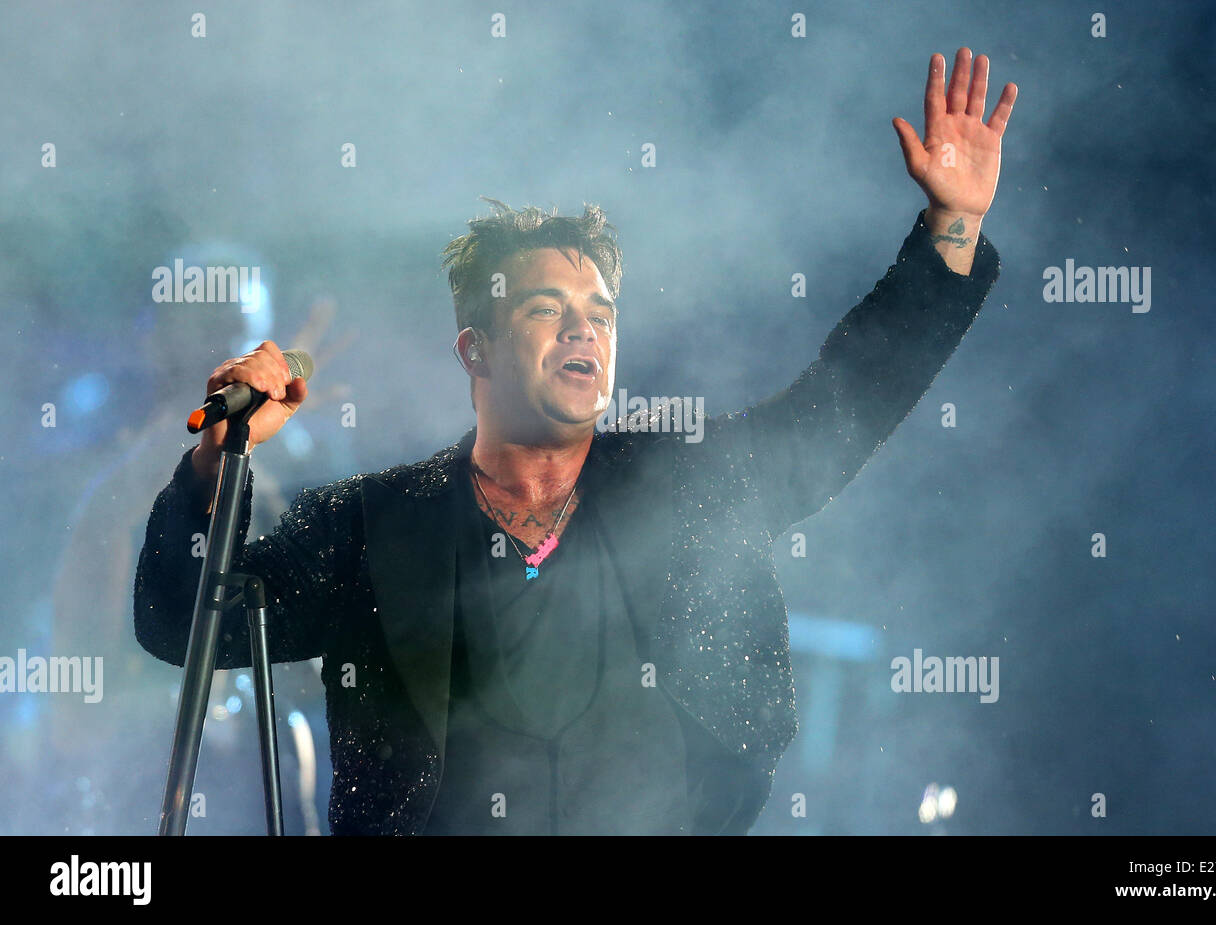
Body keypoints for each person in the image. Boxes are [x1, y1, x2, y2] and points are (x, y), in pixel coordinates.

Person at [134, 48, 1017, 835]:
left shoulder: (690, 486)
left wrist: (951, 229)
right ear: (475, 347)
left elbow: (842, 404)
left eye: (600, 314)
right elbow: (181, 623)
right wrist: (220, 457)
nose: (582, 332)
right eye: (546, 309)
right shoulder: (369, 526)